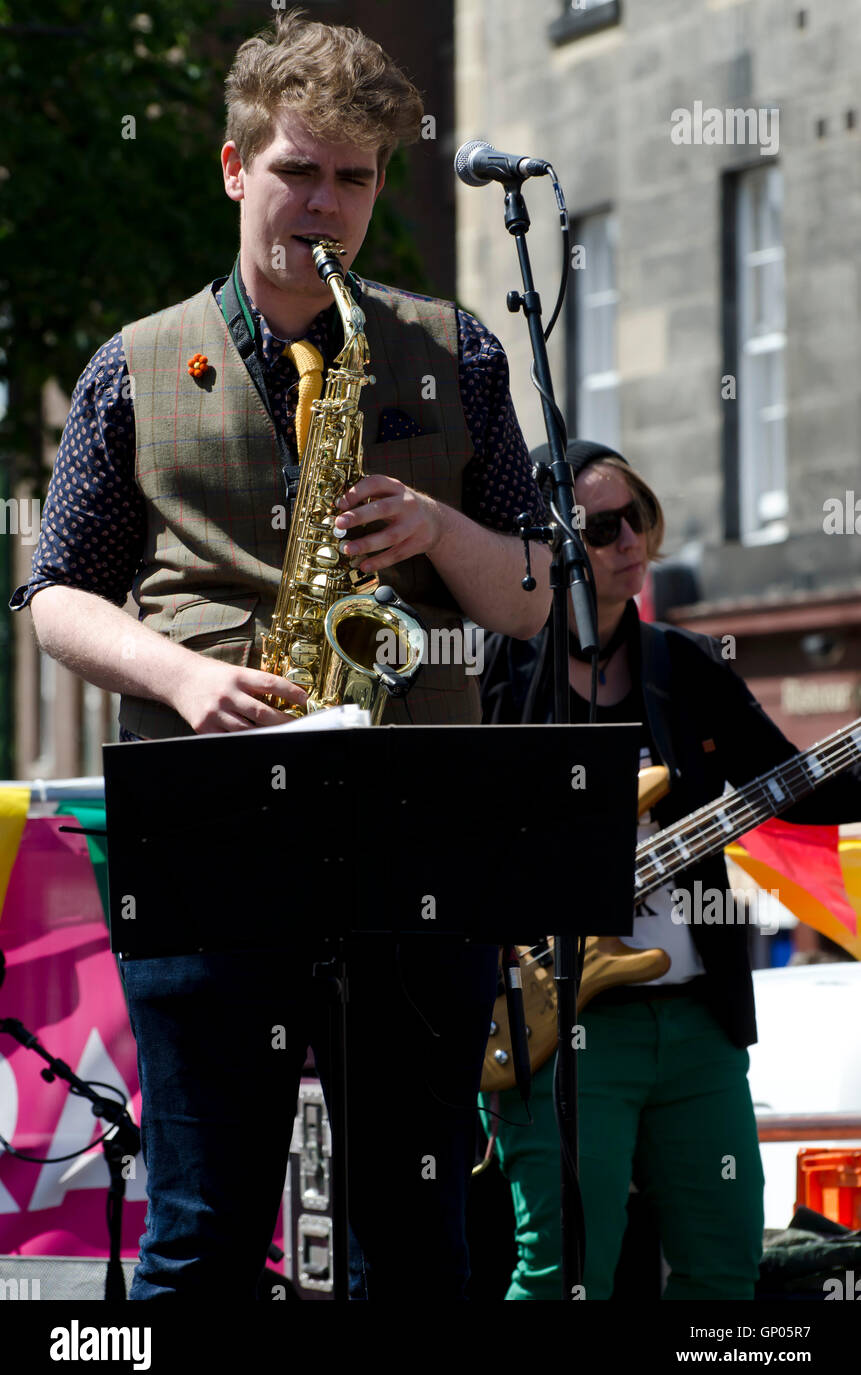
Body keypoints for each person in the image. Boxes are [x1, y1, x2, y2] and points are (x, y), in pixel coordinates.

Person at [10, 10, 550, 1299]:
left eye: (356, 178)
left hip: (409, 837)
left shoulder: (457, 349)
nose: (328, 204)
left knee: (417, 1240)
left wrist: (436, 527)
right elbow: (52, 596)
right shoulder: (132, 366)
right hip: (210, 832)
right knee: (202, 1235)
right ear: (234, 168)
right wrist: (185, 676)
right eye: (300, 170)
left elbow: (533, 591)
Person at [479, 439, 860, 1300]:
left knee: (724, 1267)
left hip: (697, 1021)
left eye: (638, 518)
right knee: (565, 1273)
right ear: (551, 549)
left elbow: (796, 788)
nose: (629, 542)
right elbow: (456, 840)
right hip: (565, 1025)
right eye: (603, 527)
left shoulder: (682, 665)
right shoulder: (502, 675)